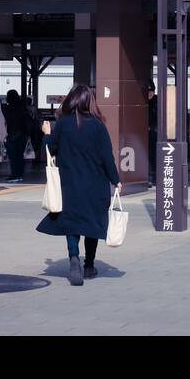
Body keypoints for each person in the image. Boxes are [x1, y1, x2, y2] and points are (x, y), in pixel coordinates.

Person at [36, 84, 121, 286]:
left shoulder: (63, 124)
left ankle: (74, 259)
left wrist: (47, 133)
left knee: (72, 223)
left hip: (69, 184)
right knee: (91, 223)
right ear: (89, 101)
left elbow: (49, 150)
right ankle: (89, 265)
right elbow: (107, 157)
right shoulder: (99, 126)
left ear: (71, 101)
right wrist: (115, 180)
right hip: (95, 184)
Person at [3, 89, 29, 183]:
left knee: (13, 157)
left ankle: (14, 175)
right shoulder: (22, 107)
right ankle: (20, 175)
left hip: (12, 135)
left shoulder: (8, 108)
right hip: (22, 135)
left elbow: (7, 122)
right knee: (20, 156)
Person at [146, 81, 159, 184]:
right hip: (146, 133)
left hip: (155, 132)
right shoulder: (143, 102)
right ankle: (150, 176)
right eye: (149, 91)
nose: (150, 94)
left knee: (154, 155)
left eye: (152, 91)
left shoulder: (157, 101)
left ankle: (153, 177)